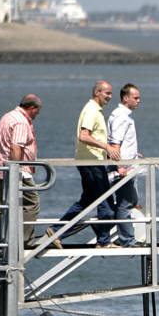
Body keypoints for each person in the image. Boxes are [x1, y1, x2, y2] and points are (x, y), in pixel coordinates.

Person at [0, 94, 54, 250]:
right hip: (17, 171)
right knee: (32, 204)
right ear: (32, 108)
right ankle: (24, 241)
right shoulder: (21, 122)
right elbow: (16, 147)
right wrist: (17, 170)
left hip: (1, 169)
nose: (37, 115)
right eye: (37, 111)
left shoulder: (8, 116)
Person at [54, 80, 120, 248]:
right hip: (91, 163)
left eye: (111, 93)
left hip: (90, 162)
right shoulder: (92, 111)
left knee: (88, 201)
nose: (110, 97)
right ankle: (104, 241)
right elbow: (83, 136)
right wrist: (106, 147)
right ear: (97, 92)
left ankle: (55, 232)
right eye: (107, 93)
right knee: (105, 201)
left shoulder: (95, 110)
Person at [108, 83, 143, 247]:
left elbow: (124, 142)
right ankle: (127, 240)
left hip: (129, 164)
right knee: (126, 202)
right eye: (135, 98)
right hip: (123, 168)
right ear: (125, 98)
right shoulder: (121, 116)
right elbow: (115, 143)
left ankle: (123, 236)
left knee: (128, 200)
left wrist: (135, 154)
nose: (139, 101)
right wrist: (119, 166)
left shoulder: (125, 115)